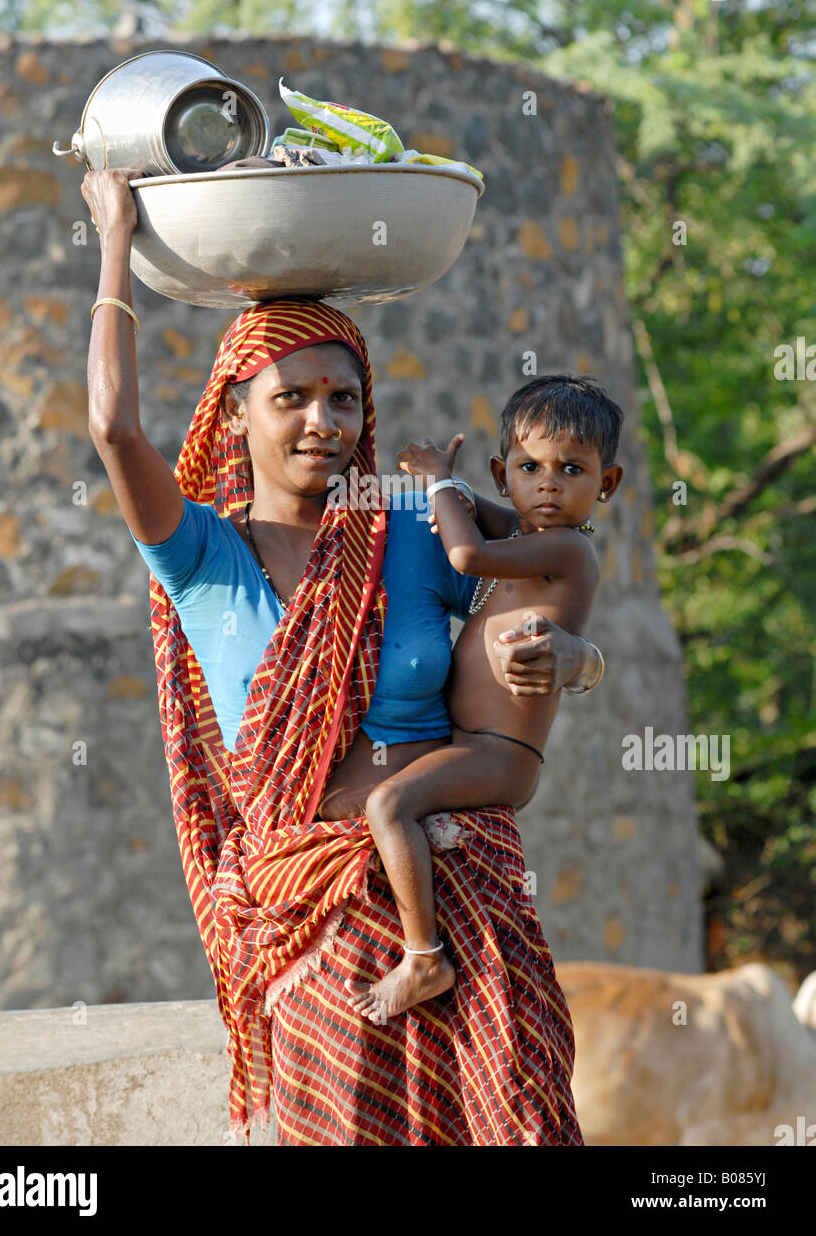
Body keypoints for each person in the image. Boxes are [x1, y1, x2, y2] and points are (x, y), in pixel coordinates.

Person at [81, 167, 606, 1147]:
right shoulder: (205, 557)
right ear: (236, 414)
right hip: (316, 929)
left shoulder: (412, 527)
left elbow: (554, 577)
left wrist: (576, 660)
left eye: (344, 399)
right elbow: (112, 429)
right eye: (292, 399)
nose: (323, 422)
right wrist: (115, 238)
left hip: (462, 901)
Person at [349, 378, 623, 1025]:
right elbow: (474, 515)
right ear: (507, 475)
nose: (549, 484)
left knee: (388, 805)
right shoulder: (528, 529)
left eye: (571, 470)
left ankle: (425, 958)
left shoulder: (569, 550)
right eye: (530, 468)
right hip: (467, 739)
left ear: (605, 485)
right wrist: (444, 484)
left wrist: (440, 480)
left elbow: (467, 552)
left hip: (499, 753)